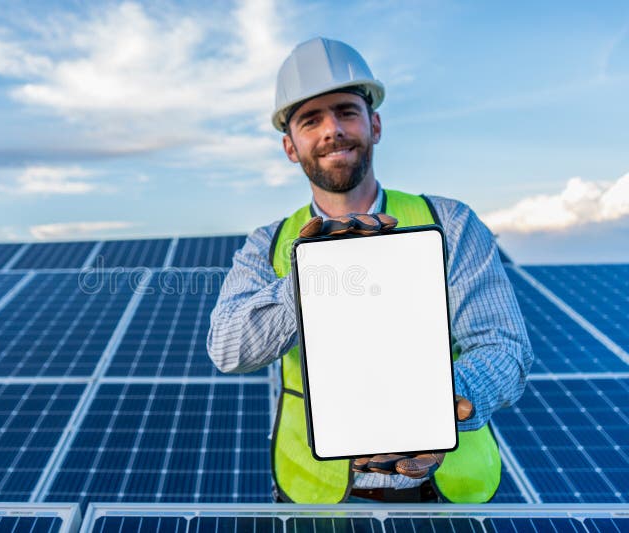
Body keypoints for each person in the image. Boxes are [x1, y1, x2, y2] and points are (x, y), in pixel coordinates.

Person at [206, 37, 533, 504]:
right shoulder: (269, 245)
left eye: (346, 111)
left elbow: (505, 347)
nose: (332, 130)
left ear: (374, 124)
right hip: (318, 498)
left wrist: (438, 404)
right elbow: (227, 349)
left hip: (443, 492)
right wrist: (315, 275)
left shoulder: (451, 223)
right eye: (310, 120)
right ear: (290, 147)